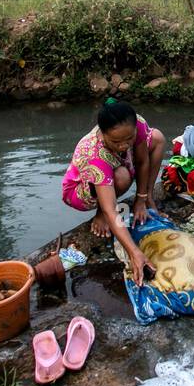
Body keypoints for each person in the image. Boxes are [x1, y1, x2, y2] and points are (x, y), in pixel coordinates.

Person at [61, 98, 165, 284]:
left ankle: (148, 197)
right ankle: (98, 211)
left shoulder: (137, 124)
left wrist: (141, 199)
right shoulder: (95, 154)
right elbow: (112, 211)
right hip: (80, 191)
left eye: (129, 139)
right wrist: (135, 253)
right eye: (116, 141)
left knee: (157, 138)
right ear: (103, 134)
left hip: (117, 165)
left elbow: (142, 161)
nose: (124, 146)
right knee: (122, 177)